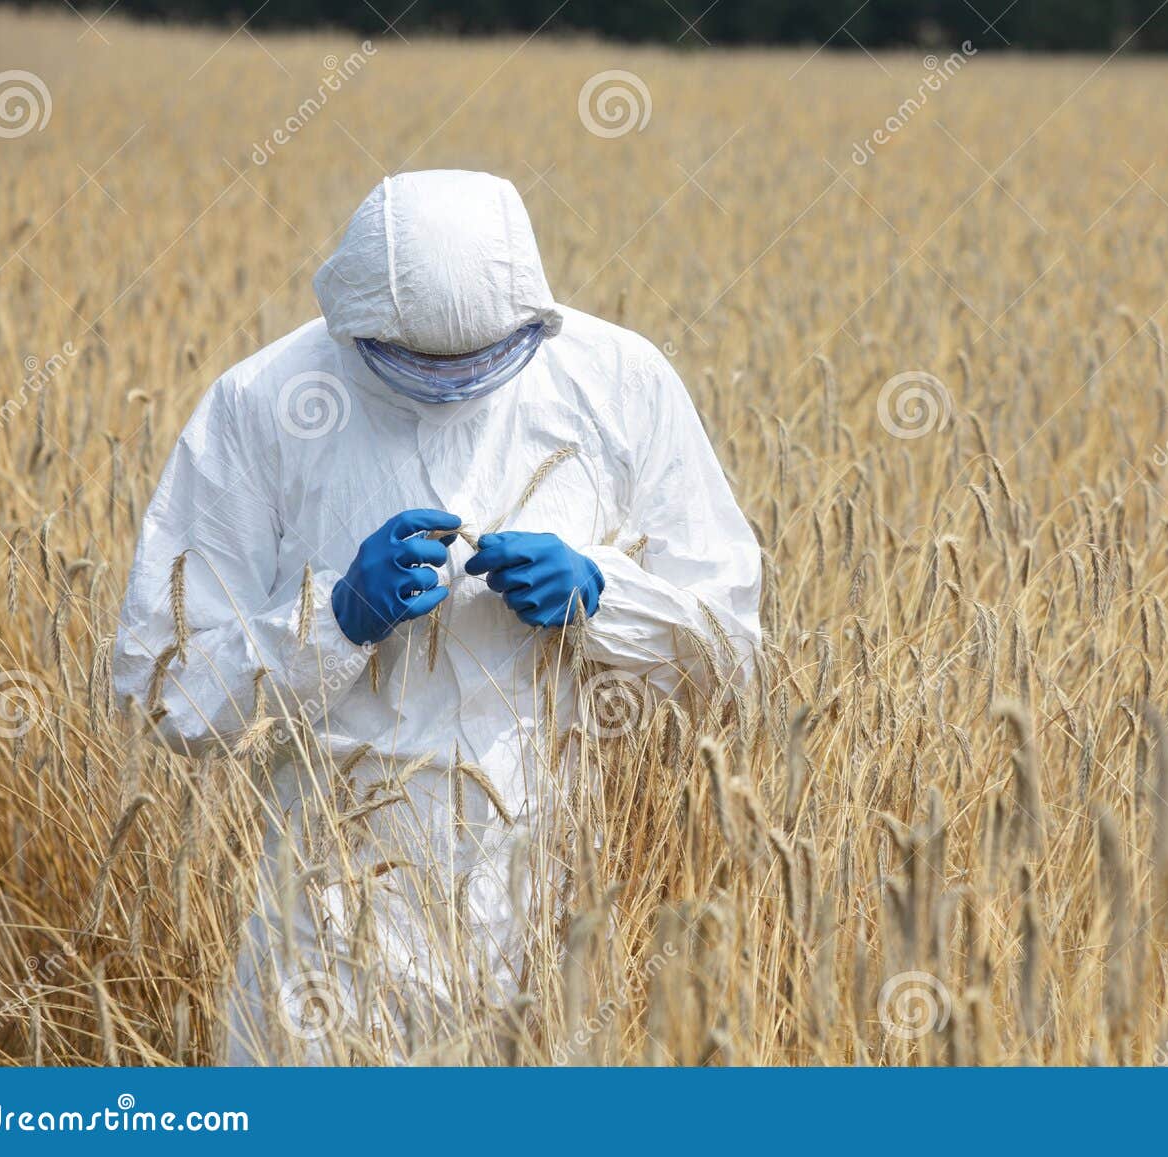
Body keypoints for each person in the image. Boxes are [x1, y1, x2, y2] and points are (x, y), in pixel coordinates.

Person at [112, 169, 761, 1063]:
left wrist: (605, 597)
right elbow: (159, 687)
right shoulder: (263, 405)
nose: (453, 386)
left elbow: (732, 649)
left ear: (533, 320)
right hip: (333, 920)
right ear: (355, 322)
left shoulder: (621, 385)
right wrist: (331, 620)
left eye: (478, 362)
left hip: (556, 907)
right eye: (421, 364)